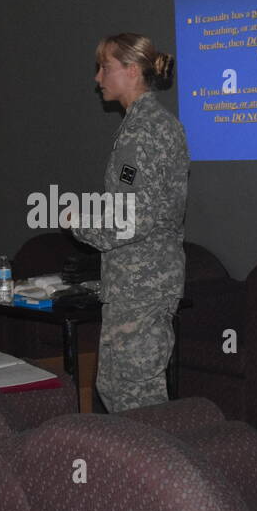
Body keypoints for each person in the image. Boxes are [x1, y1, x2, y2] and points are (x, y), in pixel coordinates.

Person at [65, 33, 189, 412]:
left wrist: (77, 221)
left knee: (137, 397)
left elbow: (133, 219)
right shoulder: (157, 124)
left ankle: (161, 455)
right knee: (118, 387)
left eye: (105, 67)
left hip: (141, 286)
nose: (97, 78)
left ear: (132, 71)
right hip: (141, 283)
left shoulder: (142, 131)